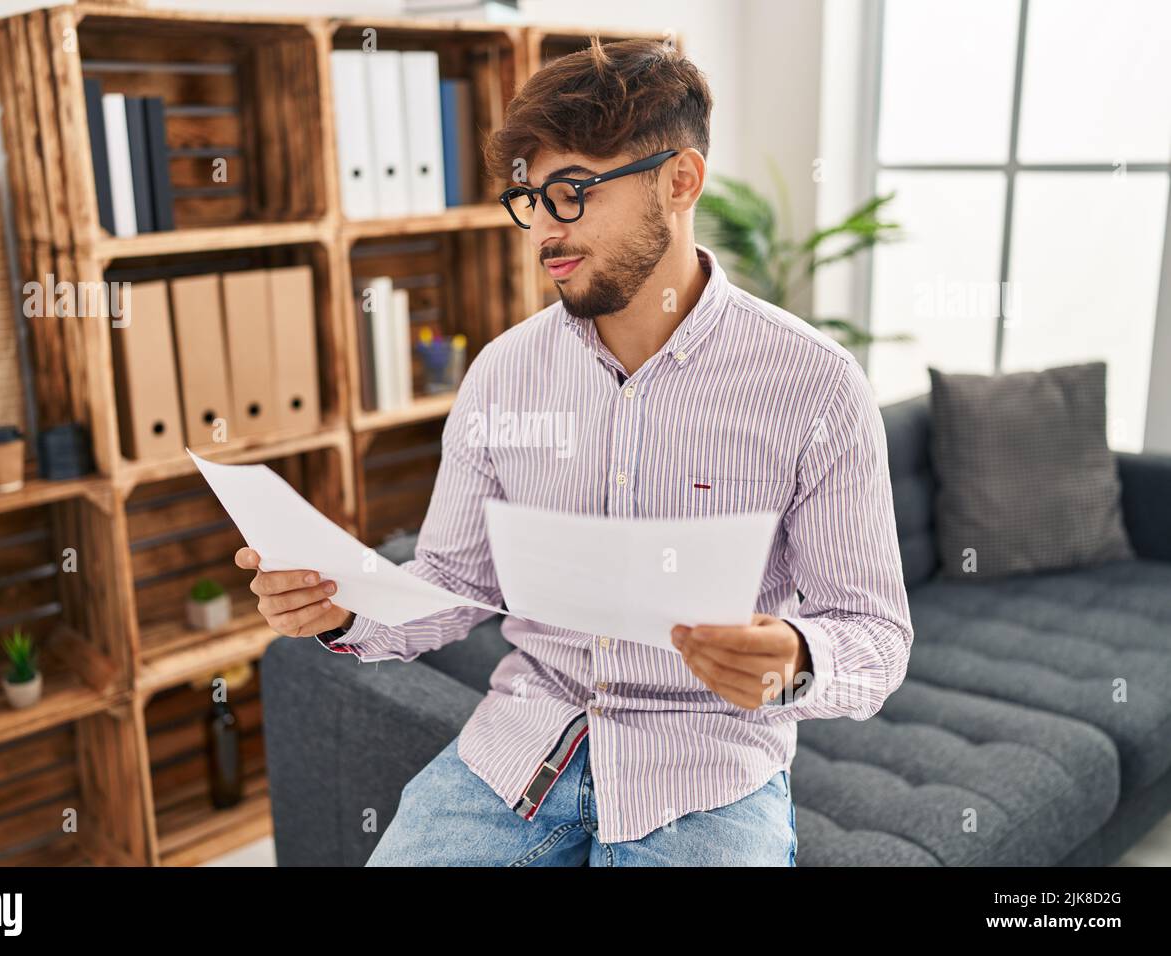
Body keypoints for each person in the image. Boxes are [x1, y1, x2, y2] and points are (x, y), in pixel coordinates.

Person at [236, 37, 913, 866]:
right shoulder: (503, 373)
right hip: (518, 753)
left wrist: (798, 661)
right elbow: (454, 580)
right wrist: (342, 610)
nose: (545, 232)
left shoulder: (814, 384)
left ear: (680, 180)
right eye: (531, 199)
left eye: (573, 193)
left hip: (704, 773)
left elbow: (874, 634)